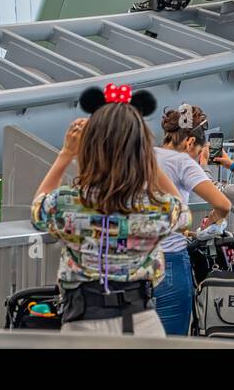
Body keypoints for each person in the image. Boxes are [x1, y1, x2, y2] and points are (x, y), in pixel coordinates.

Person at [32, 86, 186, 337]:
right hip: (143, 325)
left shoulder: (66, 203)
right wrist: (145, 155)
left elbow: (38, 211)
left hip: (82, 325)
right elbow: (180, 210)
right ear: (142, 150)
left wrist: (66, 154)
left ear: (89, 147)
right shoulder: (157, 207)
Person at [152, 103, 232, 335]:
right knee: (172, 337)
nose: (198, 157)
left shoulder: (144, 155)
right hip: (170, 259)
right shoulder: (182, 162)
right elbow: (223, 203)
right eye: (198, 151)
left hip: (136, 257)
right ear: (189, 142)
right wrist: (214, 219)